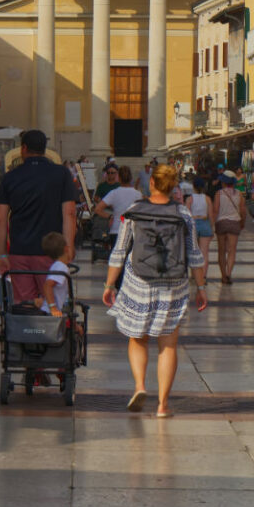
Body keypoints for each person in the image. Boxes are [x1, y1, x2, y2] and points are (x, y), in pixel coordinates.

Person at [103, 163, 207, 417]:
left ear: (151, 183)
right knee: (168, 344)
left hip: (139, 281)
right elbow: (194, 254)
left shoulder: (133, 211)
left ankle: (140, 386)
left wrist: (109, 284)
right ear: (173, 187)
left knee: (137, 338)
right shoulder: (183, 214)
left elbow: (120, 250)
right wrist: (201, 287)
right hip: (173, 284)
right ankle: (162, 405)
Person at [0, 129, 77, 301]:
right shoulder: (61, 174)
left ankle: (27, 319)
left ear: (23, 148)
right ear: (44, 149)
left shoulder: (10, 177)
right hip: (51, 251)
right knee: (52, 302)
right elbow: (69, 213)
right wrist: (68, 246)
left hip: (19, 252)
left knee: (24, 304)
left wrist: (2, 254)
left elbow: (0, 219)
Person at [94, 165, 142, 253]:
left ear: (118, 177)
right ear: (131, 178)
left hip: (116, 229)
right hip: (132, 230)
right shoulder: (138, 194)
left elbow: (97, 209)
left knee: (116, 258)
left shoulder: (114, 193)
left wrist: (110, 216)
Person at [213, 170, 245, 284]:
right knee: (232, 250)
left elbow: (215, 210)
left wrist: (212, 224)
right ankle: (228, 273)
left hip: (221, 223)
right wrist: (242, 223)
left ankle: (223, 276)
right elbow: (243, 211)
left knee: (221, 251)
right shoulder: (239, 194)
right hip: (234, 223)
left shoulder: (219, 193)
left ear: (224, 182)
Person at [34, 232, 71, 317]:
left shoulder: (56, 265)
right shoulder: (61, 268)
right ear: (66, 248)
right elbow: (48, 285)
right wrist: (53, 307)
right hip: (52, 312)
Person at [185, 177, 214, 281]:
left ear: (193, 186)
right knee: (204, 252)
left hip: (193, 224)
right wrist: (212, 228)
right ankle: (203, 276)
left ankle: (194, 275)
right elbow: (211, 215)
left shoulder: (190, 199)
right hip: (205, 223)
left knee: (193, 251)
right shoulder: (207, 199)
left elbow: (187, 215)